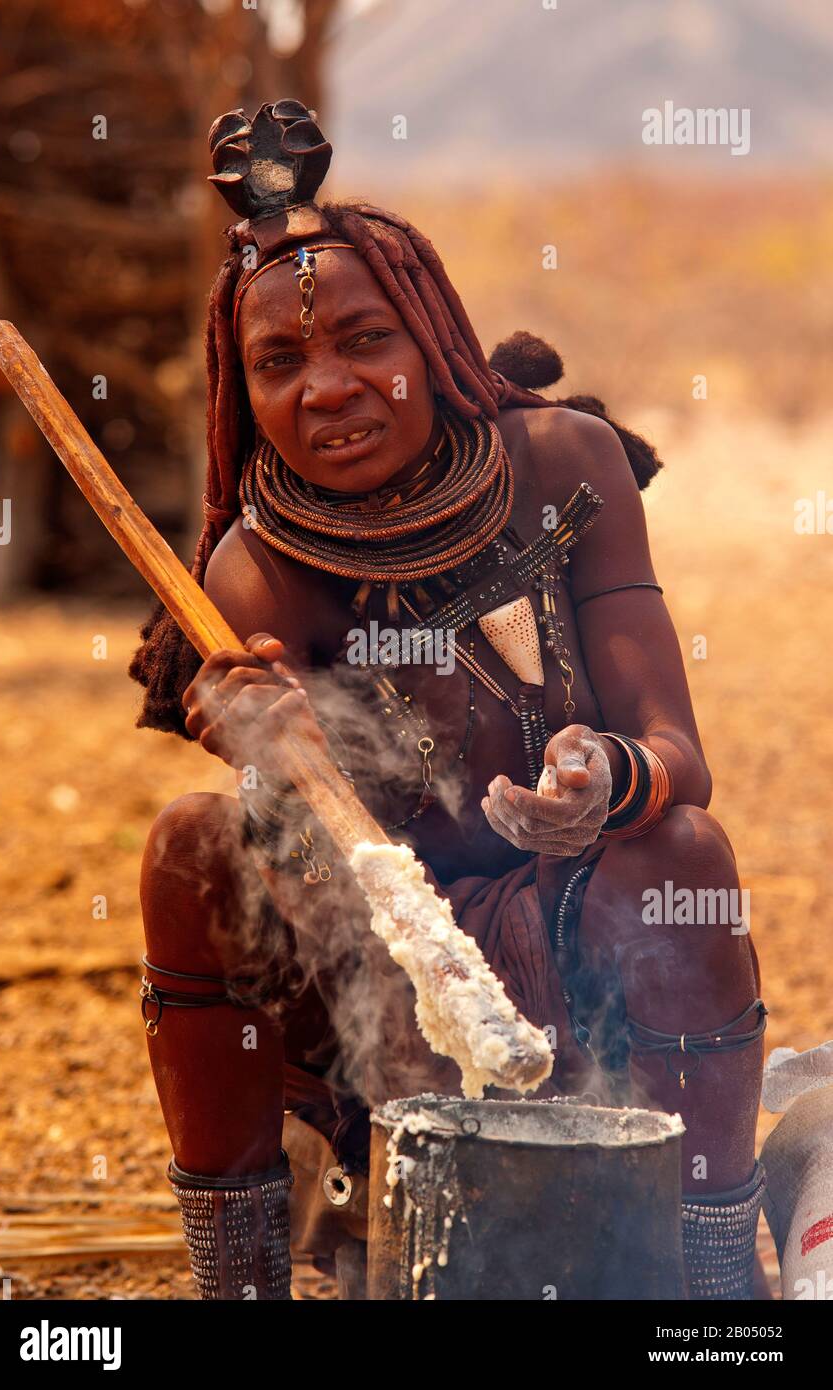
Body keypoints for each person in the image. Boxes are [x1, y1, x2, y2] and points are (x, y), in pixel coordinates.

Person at [129, 100, 766, 1301]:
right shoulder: (256, 563)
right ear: (242, 387)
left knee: (680, 849)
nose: (328, 387)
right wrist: (272, 759)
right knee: (190, 846)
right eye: (279, 362)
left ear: (430, 336)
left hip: (586, 950)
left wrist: (602, 784)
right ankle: (244, 1280)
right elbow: (310, 863)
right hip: (376, 981)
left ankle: (711, 1281)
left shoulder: (563, 464)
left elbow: (678, 748)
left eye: (366, 339)